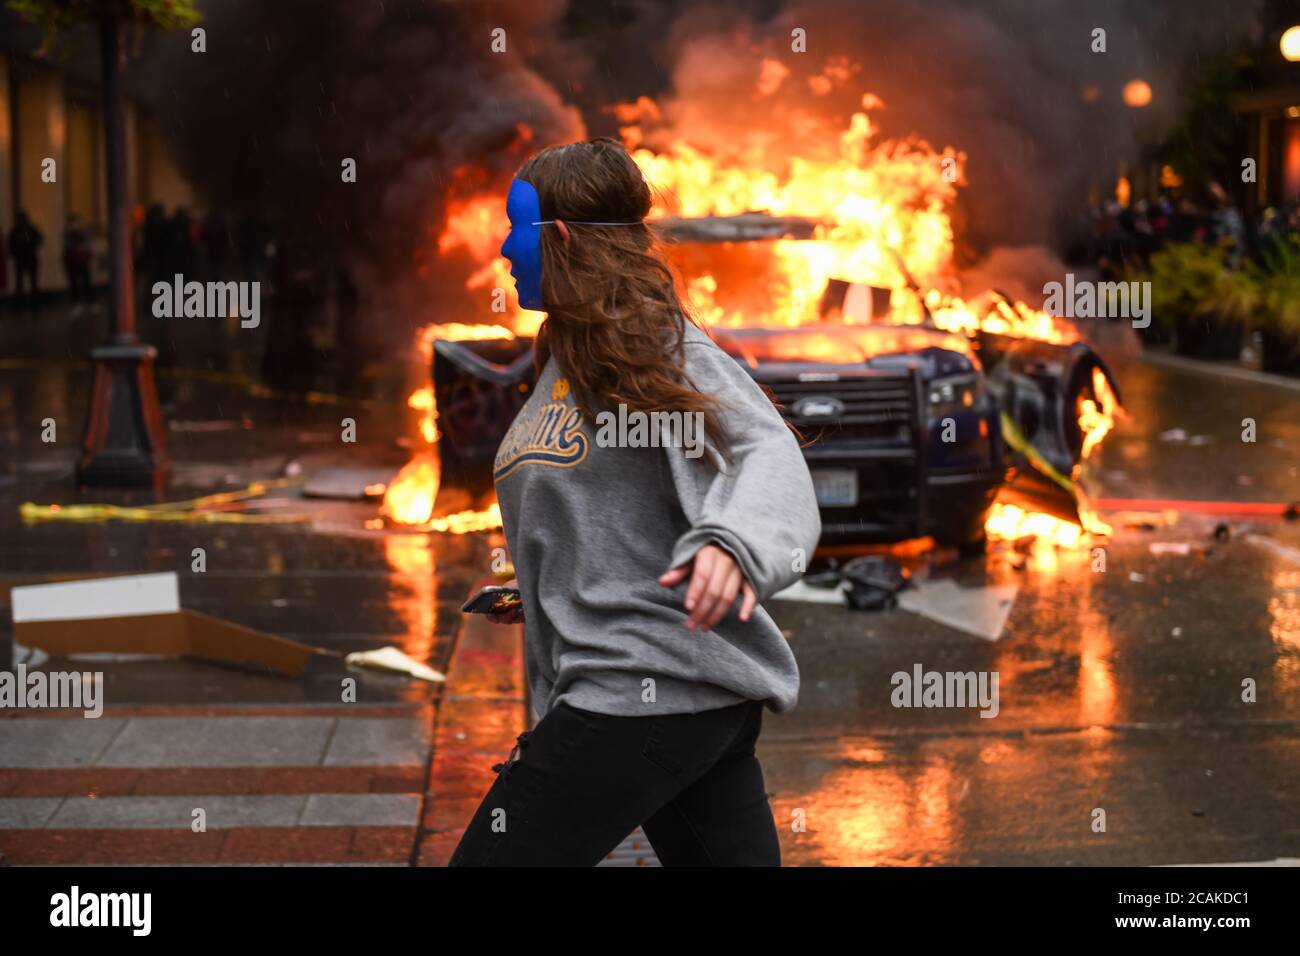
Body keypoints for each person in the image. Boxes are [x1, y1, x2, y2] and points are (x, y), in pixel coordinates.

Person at [449, 138, 821, 867]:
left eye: (514, 229)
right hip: (683, 700)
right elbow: (606, 497)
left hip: (631, 700)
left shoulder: (655, 344)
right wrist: (559, 580)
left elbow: (765, 452)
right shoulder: (571, 352)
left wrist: (732, 545)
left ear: (557, 238)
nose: (501, 248)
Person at [8, 210, 43, 309]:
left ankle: (35, 304)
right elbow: (11, 245)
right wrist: (16, 252)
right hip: (20, 259)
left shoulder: (32, 229)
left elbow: (40, 240)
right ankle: (20, 304)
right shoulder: (15, 231)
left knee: (34, 283)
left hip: (31, 258)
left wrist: (31, 243)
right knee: (19, 283)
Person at [63, 213, 93, 311]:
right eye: (73, 223)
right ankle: (76, 304)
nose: (75, 225)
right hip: (72, 262)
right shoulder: (68, 234)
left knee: (87, 282)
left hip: (82, 261)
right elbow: (68, 248)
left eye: (77, 222)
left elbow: (87, 246)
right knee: (74, 283)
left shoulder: (84, 233)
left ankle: (91, 302)